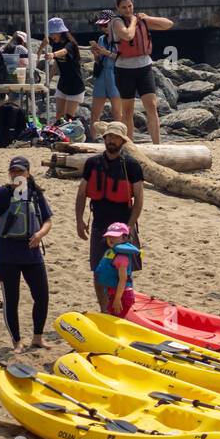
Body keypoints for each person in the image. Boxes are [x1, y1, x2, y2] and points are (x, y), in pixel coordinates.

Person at [0, 156, 54, 353]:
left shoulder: (36, 194)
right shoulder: (4, 193)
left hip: (32, 254)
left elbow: (48, 220)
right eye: (13, 171)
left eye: (20, 171)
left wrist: (39, 234)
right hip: (7, 256)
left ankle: (37, 338)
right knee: (11, 300)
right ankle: (17, 341)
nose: (16, 174)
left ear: (28, 173)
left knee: (42, 296)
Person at [77, 121, 145, 313]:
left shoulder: (131, 165)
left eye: (116, 137)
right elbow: (82, 193)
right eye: (109, 137)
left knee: (124, 270)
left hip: (123, 227)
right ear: (104, 138)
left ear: (123, 141)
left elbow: (139, 198)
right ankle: (104, 309)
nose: (112, 140)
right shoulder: (92, 164)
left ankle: (123, 306)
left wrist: (130, 226)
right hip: (100, 225)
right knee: (100, 270)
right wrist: (79, 220)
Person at [110, 0, 173, 144]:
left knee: (151, 106)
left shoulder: (140, 20)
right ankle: (129, 145)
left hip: (144, 66)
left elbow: (168, 24)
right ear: (118, 8)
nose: (128, 9)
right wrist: (133, 21)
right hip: (124, 69)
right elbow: (127, 36)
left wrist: (146, 18)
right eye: (124, 7)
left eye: (130, 6)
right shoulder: (116, 22)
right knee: (128, 111)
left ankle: (157, 145)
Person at [39, 17, 84, 121]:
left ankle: (69, 136)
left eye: (53, 33)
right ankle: (58, 136)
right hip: (63, 83)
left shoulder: (70, 44)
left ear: (60, 32)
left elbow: (64, 51)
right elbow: (56, 63)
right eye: (50, 33)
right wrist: (48, 79)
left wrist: (53, 54)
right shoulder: (55, 44)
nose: (51, 36)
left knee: (68, 117)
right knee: (59, 115)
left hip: (75, 84)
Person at [95, 222, 142, 316]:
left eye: (115, 236)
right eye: (109, 236)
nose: (110, 239)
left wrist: (117, 299)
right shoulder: (112, 252)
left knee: (116, 317)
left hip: (122, 296)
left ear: (125, 238)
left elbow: (123, 279)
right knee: (112, 315)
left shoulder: (121, 258)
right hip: (115, 293)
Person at [87, 10, 121, 141]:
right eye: (101, 26)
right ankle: (92, 139)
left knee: (117, 112)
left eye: (105, 25)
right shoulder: (101, 39)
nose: (103, 28)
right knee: (95, 112)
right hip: (102, 75)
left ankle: (120, 138)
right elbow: (98, 61)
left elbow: (121, 58)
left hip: (115, 74)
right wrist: (96, 54)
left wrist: (106, 53)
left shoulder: (119, 37)